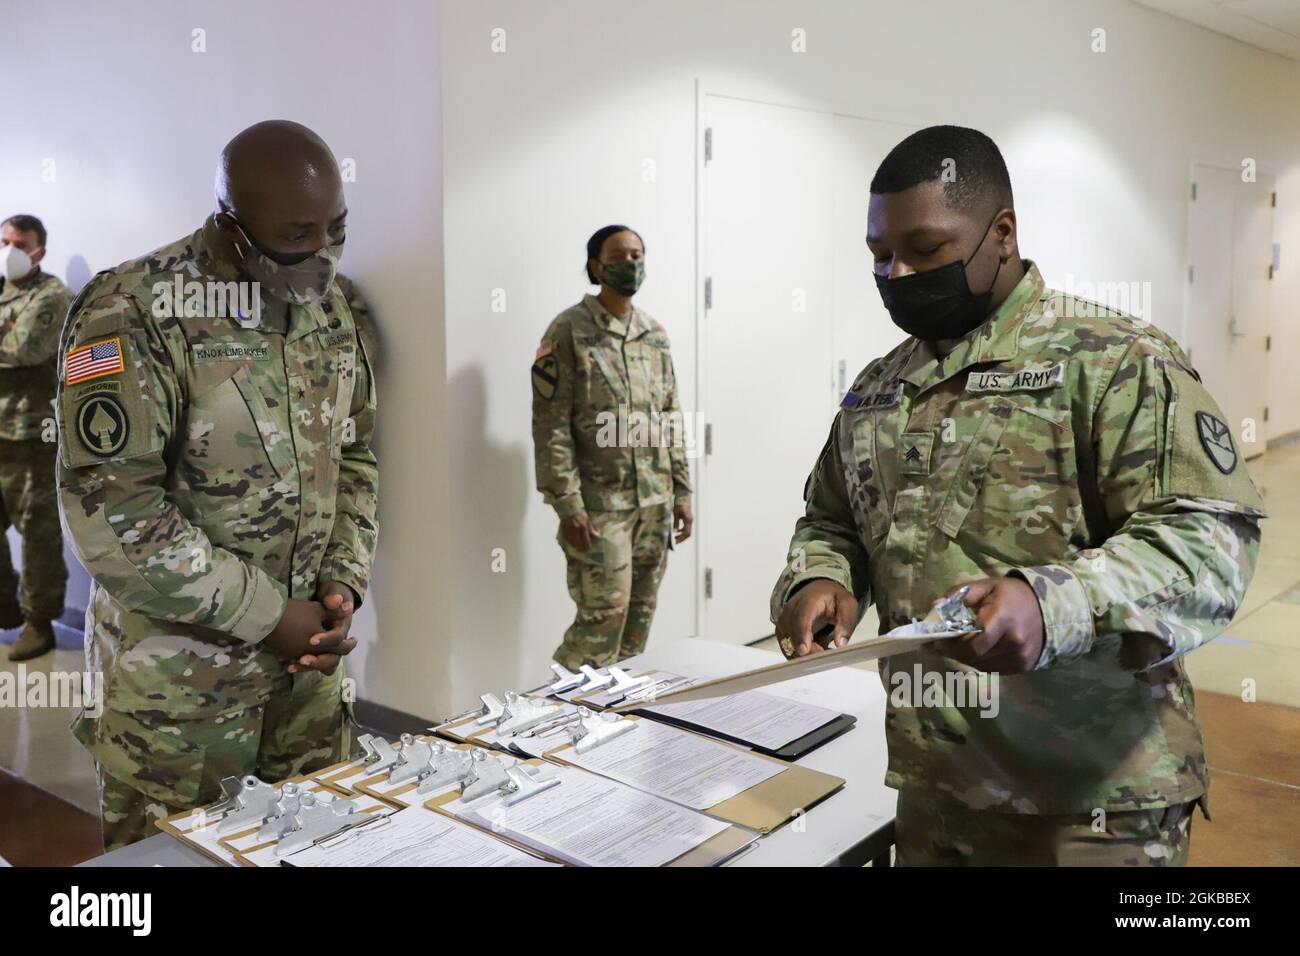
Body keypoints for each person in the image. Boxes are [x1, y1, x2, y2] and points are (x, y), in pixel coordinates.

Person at [770, 125, 1263, 866]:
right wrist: (822, 576)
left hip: (1090, 803)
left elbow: (1209, 545)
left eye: (925, 249)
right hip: (937, 789)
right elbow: (833, 517)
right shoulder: (878, 387)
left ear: (1001, 233)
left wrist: (1050, 602)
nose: (898, 271)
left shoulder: (1114, 362)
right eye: (880, 255)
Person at [56, 120, 379, 850]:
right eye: (300, 235)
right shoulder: (130, 311)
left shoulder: (333, 308)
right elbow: (115, 518)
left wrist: (341, 585)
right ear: (232, 228)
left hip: (307, 692)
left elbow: (355, 456)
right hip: (180, 707)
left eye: (338, 228)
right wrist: (273, 615)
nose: (322, 252)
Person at [532, 225, 692, 669]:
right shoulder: (568, 332)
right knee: (599, 626)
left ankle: (617, 724)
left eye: (638, 254)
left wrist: (683, 492)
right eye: (619, 255)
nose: (631, 263)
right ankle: (557, 717)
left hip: (654, 505)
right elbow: (551, 427)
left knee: (637, 625)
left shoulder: (653, 334)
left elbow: (671, 416)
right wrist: (568, 505)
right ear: (596, 265)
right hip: (601, 510)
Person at [0, 214, 71, 661]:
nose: (11, 251)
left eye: (21, 244)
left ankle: (39, 622)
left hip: (31, 433)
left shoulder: (53, 295)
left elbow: (25, 348)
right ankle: (6, 609)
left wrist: (9, 339)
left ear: (39, 251)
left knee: (37, 534)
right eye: (5, 241)